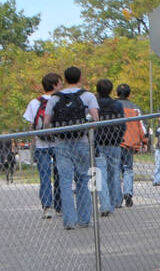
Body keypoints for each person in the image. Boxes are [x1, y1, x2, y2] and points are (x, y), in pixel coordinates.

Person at [45, 66, 100, 229]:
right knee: (83, 178)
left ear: (65, 78)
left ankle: (69, 220)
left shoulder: (54, 98)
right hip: (82, 140)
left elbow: (47, 122)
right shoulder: (88, 96)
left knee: (65, 181)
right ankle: (84, 219)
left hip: (61, 143)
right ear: (80, 78)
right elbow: (96, 118)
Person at [23, 72, 62, 218]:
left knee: (44, 176)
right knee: (60, 175)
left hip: (41, 144)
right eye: (60, 83)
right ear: (54, 85)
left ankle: (47, 206)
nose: (61, 86)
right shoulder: (60, 101)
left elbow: (31, 125)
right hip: (59, 143)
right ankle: (60, 205)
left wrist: (34, 143)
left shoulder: (34, 103)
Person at [93, 79, 125, 216]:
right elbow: (123, 123)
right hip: (114, 142)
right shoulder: (117, 104)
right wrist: (119, 136)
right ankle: (116, 201)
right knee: (114, 173)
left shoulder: (94, 104)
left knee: (101, 175)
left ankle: (105, 204)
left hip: (99, 142)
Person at [116, 84, 147, 207]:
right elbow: (142, 126)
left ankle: (117, 197)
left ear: (117, 93)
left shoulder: (115, 106)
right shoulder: (135, 108)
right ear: (129, 94)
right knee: (128, 169)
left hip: (116, 141)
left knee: (116, 170)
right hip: (130, 142)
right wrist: (144, 140)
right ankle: (128, 192)